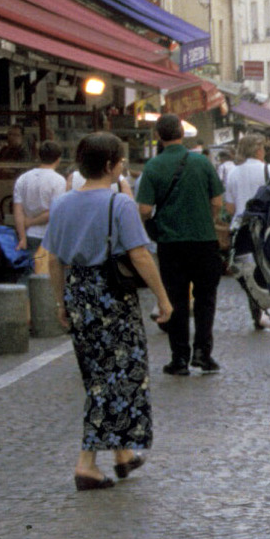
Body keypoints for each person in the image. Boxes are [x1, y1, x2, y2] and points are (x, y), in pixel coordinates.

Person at [44, 133, 175, 491]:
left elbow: (54, 260)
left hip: (79, 291)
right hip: (112, 293)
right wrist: (162, 298)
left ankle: (122, 453)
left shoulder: (61, 204)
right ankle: (86, 462)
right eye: (121, 161)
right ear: (109, 165)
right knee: (118, 374)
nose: (123, 167)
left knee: (98, 372)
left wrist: (61, 303)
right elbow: (139, 254)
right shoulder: (118, 205)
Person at [136, 113, 225, 376]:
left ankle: (179, 359)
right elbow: (218, 201)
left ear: (158, 136)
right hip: (204, 239)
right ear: (181, 133)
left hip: (170, 242)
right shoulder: (201, 162)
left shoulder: (152, 166)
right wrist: (207, 217)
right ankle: (203, 354)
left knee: (175, 299)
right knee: (206, 299)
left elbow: (144, 208)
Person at [222, 139, 270, 329]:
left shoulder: (233, 173)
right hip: (265, 227)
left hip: (241, 228)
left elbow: (230, 207)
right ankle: (265, 303)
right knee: (266, 267)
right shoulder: (269, 170)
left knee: (247, 271)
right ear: (259, 150)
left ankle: (256, 303)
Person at [12, 141, 69, 276]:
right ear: (58, 158)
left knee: (33, 273)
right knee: (50, 276)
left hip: (30, 235)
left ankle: (29, 297)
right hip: (50, 236)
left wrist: (22, 237)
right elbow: (54, 212)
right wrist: (31, 222)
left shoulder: (23, 179)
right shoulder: (59, 180)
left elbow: (18, 210)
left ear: (39, 156)